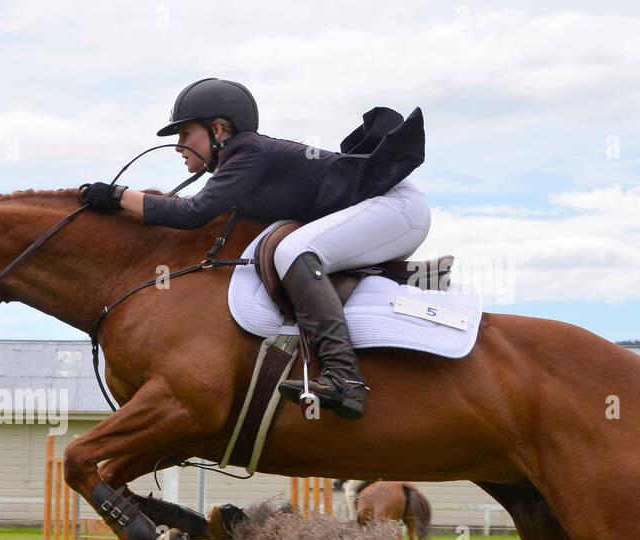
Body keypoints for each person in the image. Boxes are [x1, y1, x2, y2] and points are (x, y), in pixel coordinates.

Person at [80, 78, 431, 419]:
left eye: (185, 134)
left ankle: (345, 378)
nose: (178, 147)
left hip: (396, 207)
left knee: (293, 251)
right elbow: (195, 214)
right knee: (290, 248)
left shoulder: (248, 151)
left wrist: (117, 196)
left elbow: (192, 213)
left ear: (218, 130)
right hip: (381, 208)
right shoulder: (240, 160)